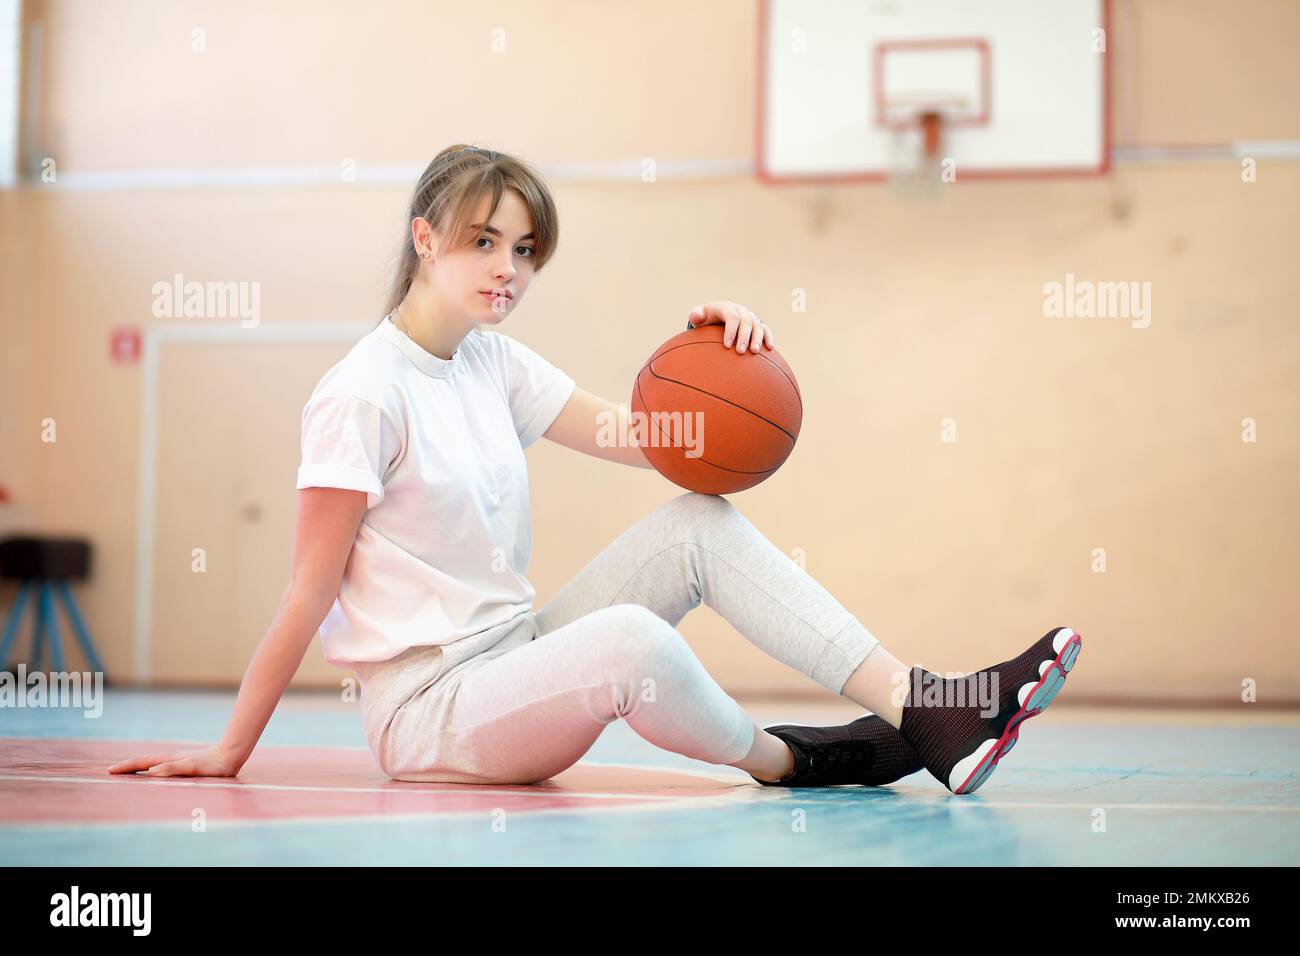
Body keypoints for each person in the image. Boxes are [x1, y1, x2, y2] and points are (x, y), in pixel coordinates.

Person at [109, 145, 1081, 794]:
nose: (509, 268)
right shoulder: (361, 393)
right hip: (426, 711)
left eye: (524, 249)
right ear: (424, 237)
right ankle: (793, 758)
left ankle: (927, 709)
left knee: (694, 522)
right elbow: (306, 589)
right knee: (623, 640)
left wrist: (719, 347)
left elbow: (646, 438)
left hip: (513, 649)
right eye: (484, 241)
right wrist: (229, 749)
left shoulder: (491, 360)